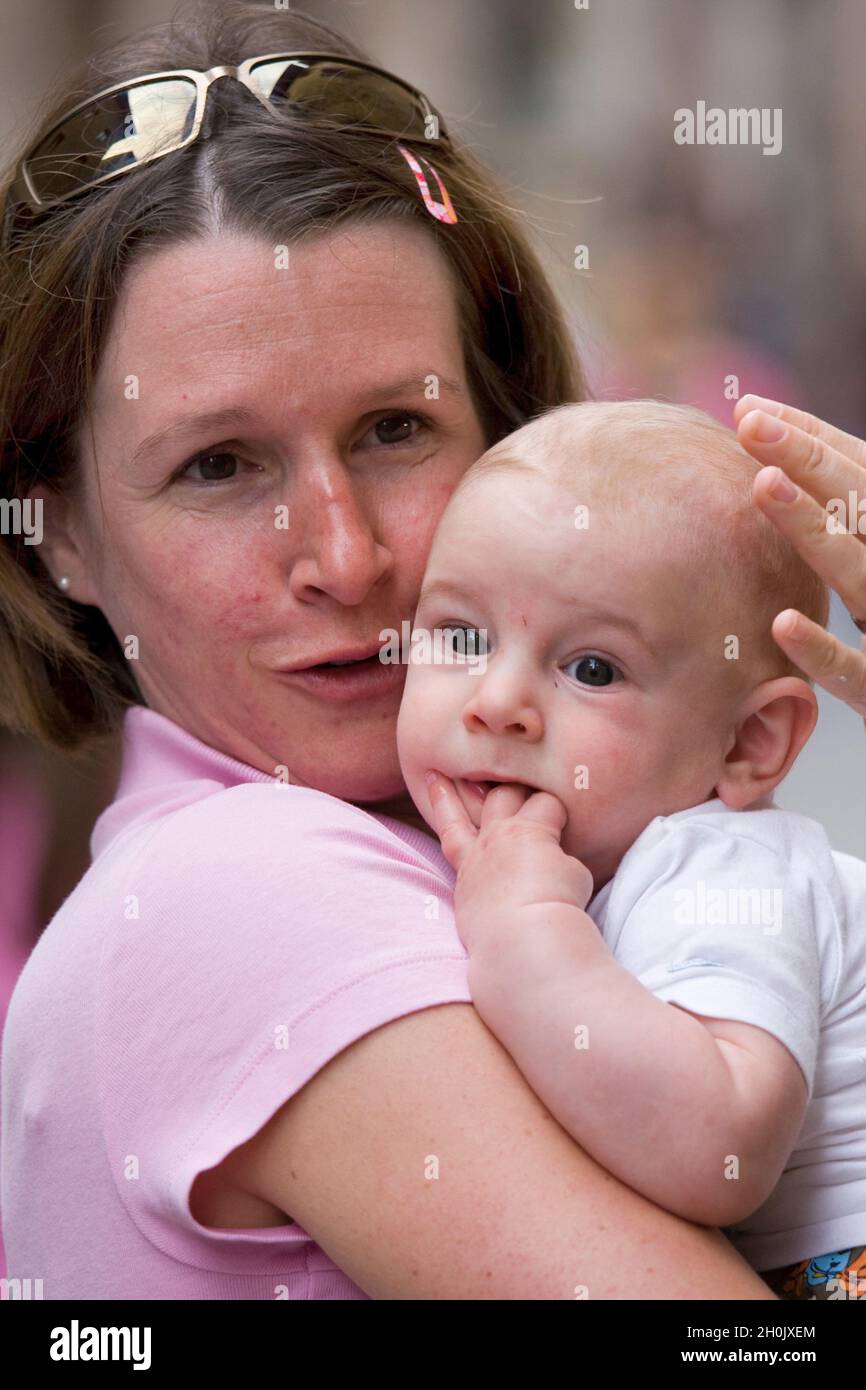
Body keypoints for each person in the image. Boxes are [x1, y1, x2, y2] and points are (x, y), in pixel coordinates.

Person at [0, 0, 862, 1299]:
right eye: (218, 465)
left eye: (394, 431)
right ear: (59, 533)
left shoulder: (524, 843)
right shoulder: (248, 890)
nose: (344, 557)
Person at [395, 400, 866, 1300]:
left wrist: (525, 930)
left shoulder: (721, 866)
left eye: (593, 669)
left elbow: (718, 1150)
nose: (497, 701)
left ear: (748, 745)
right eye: (460, 637)